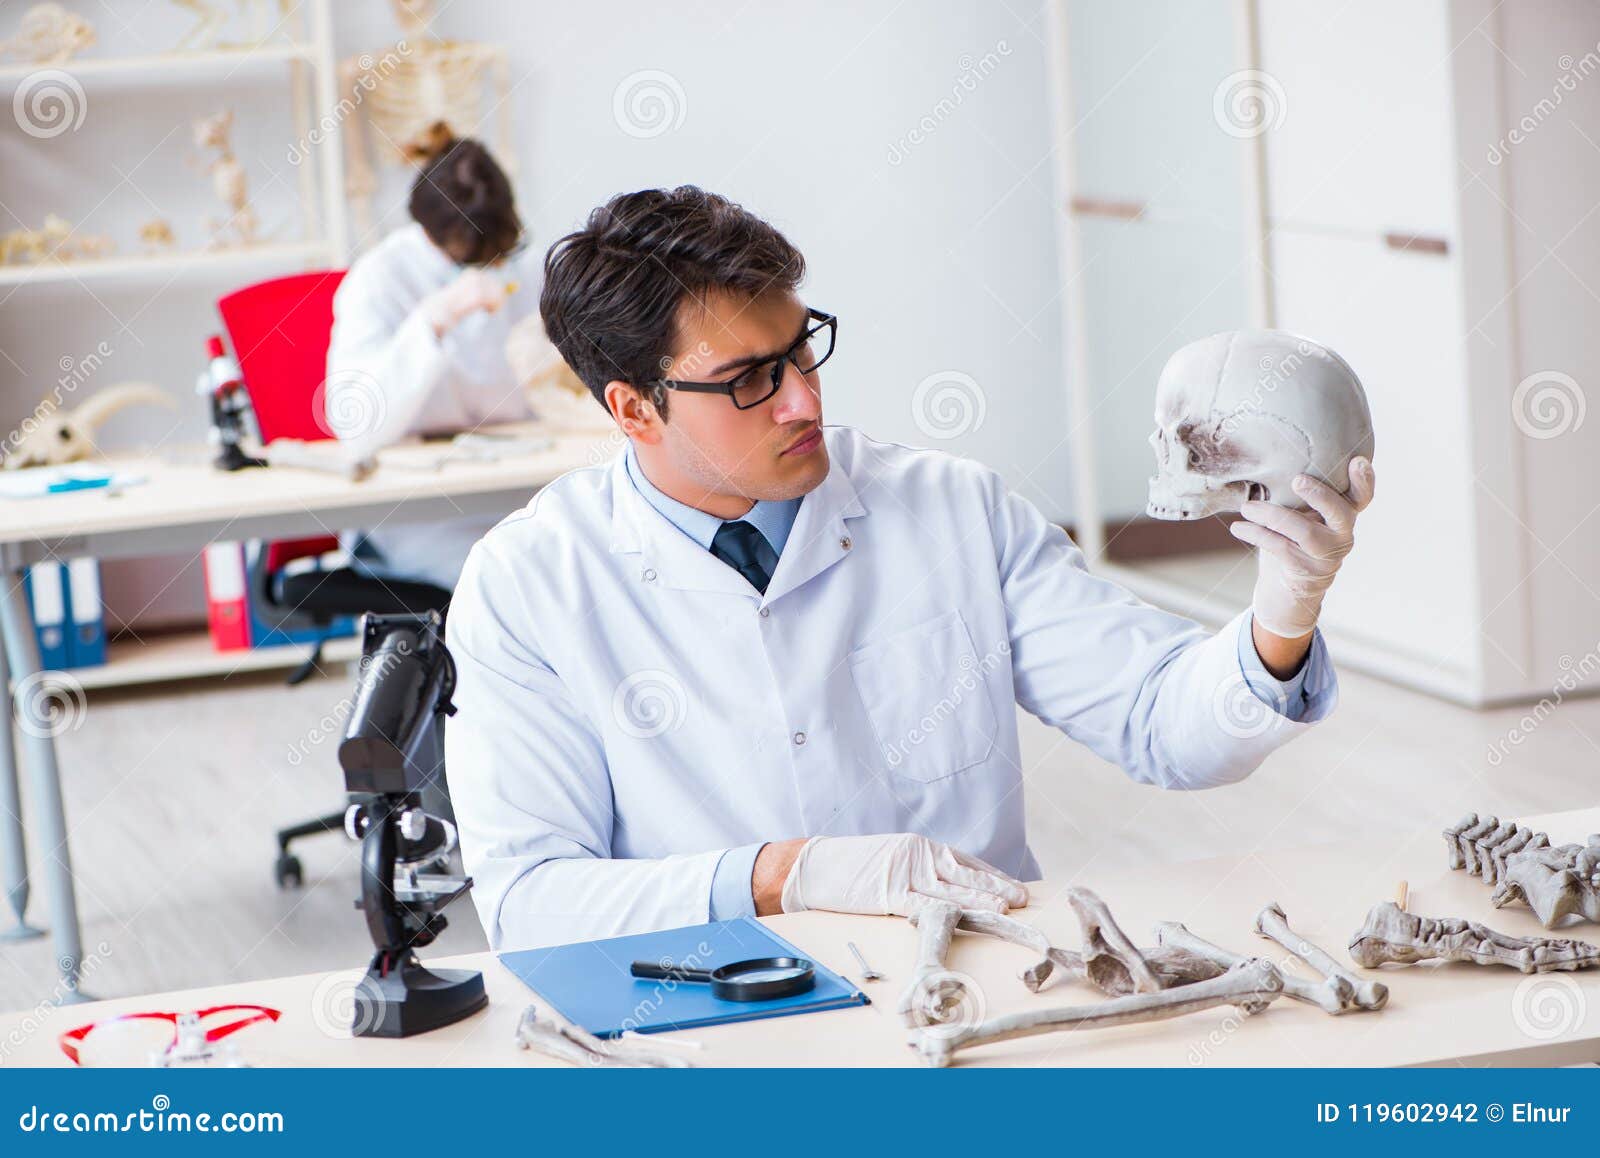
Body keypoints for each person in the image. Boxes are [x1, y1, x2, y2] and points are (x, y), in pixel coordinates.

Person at [444, 186, 1376, 951]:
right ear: (634, 409)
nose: (802, 397)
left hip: (981, 982)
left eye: (802, 347)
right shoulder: (529, 584)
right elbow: (532, 902)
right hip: (713, 1011)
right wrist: (779, 876)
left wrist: (1281, 617)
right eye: (748, 381)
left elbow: (1160, 725)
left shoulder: (949, 507)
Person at [324, 123, 540, 590]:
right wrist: (434, 321)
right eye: (473, 261)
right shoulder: (379, 278)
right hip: (418, 514)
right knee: (510, 583)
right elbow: (356, 426)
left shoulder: (518, 268)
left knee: (575, 565)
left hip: (512, 490)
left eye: (502, 255)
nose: (493, 270)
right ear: (430, 235)